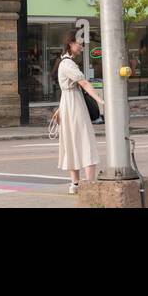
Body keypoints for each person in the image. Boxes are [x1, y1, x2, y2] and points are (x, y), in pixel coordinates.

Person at [52, 32, 102, 194]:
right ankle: (90, 183)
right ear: (70, 44)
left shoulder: (64, 63)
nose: (81, 46)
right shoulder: (68, 64)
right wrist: (100, 100)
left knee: (71, 142)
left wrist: (60, 108)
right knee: (85, 140)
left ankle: (76, 184)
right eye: (79, 43)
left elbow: (67, 87)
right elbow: (84, 83)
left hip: (68, 103)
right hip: (74, 105)